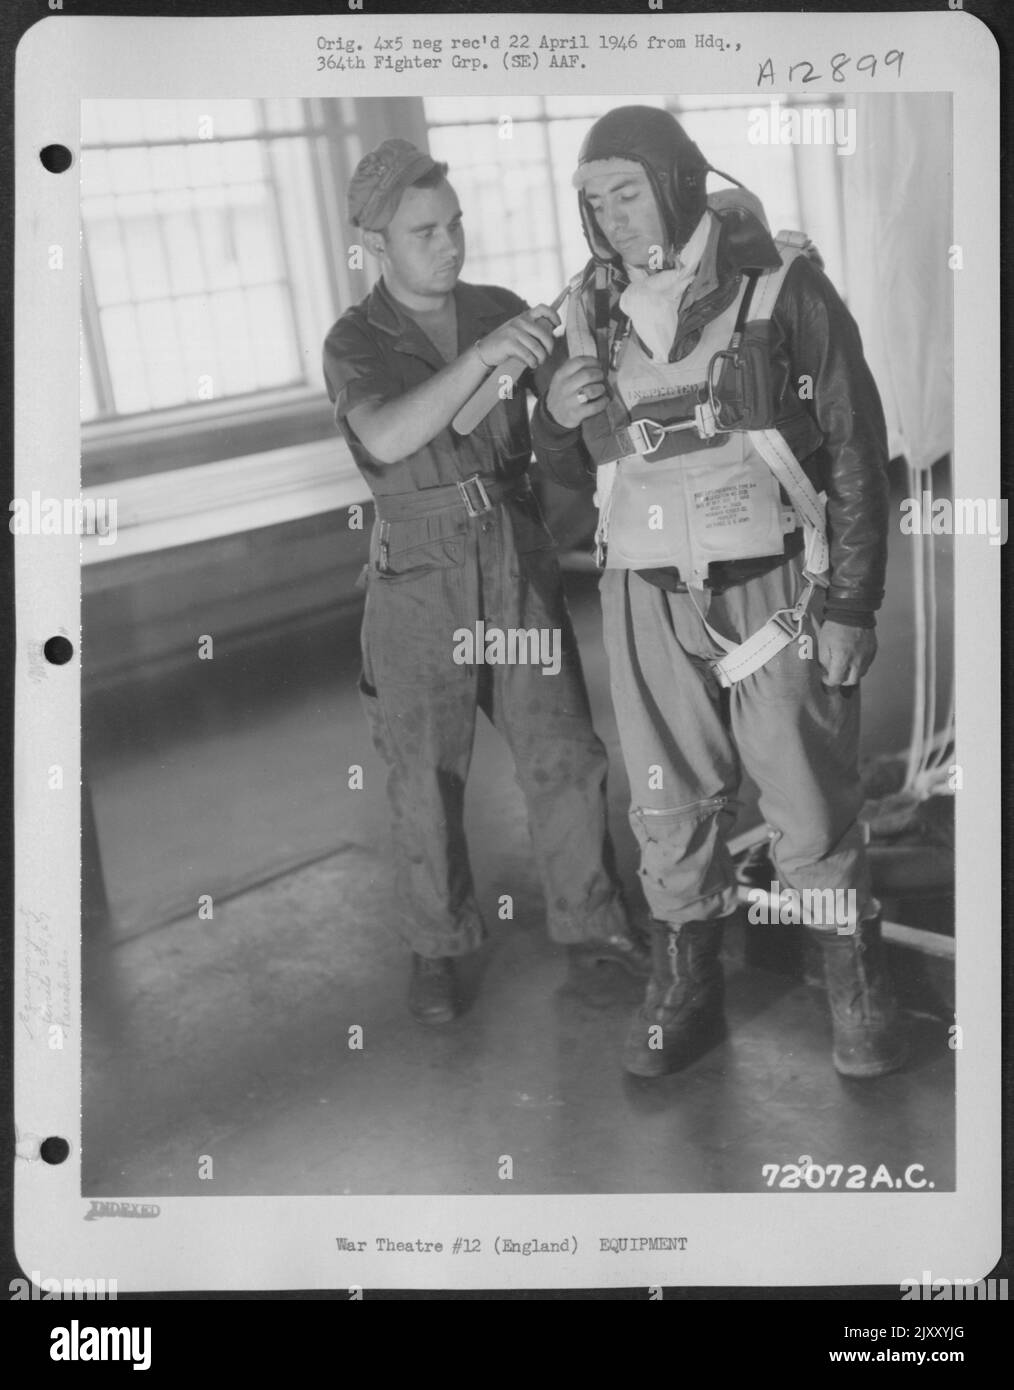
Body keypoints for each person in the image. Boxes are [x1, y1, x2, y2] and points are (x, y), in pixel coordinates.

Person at [531, 106, 907, 1080]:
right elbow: (569, 499)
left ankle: (853, 980)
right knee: (665, 806)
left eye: (627, 190)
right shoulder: (587, 312)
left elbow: (858, 450)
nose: (611, 216)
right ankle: (688, 980)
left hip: (774, 585)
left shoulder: (784, 288)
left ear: (677, 181)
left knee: (810, 806)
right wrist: (555, 427)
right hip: (644, 594)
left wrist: (852, 604)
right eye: (593, 199)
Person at [322, 139, 647, 1025]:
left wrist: (574, 397)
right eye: (426, 231)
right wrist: (484, 360)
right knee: (425, 776)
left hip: (512, 548)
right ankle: (437, 947)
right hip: (420, 572)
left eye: (456, 223)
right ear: (379, 248)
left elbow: (566, 416)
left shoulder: (499, 309)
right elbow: (386, 437)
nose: (450, 243)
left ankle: (592, 920)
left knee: (565, 753)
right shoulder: (357, 341)